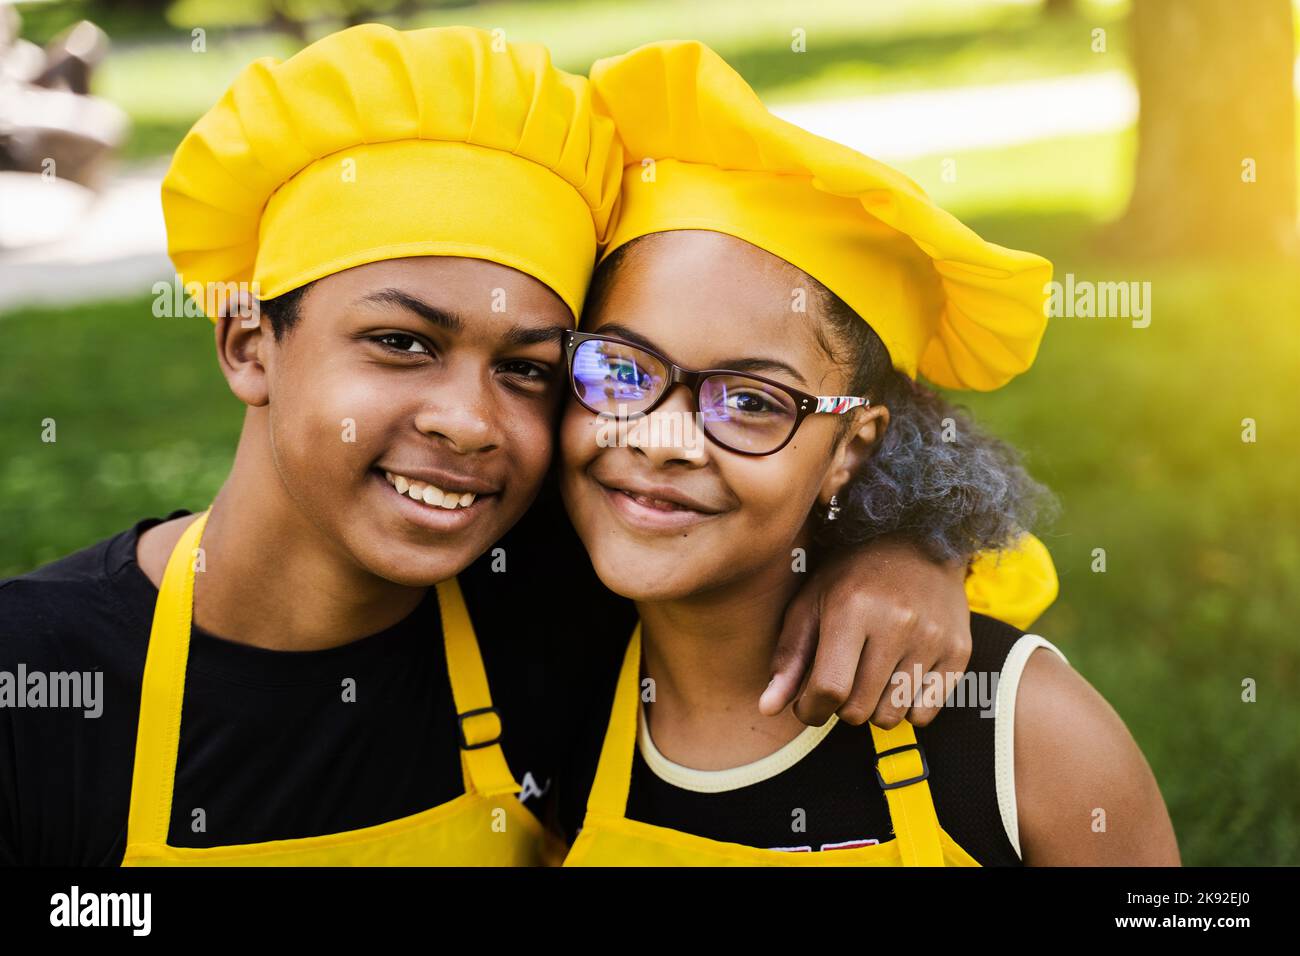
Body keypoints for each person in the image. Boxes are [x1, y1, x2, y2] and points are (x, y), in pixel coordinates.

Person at [0, 25, 1057, 867]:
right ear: (247, 341)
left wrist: (908, 549)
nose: (468, 421)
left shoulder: (562, 612)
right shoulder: (40, 682)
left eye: (530, 369)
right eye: (402, 342)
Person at [556, 41, 1179, 866]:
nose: (662, 437)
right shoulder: (548, 682)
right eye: (624, 369)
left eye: (750, 401)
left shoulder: (1018, 728)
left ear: (852, 449)